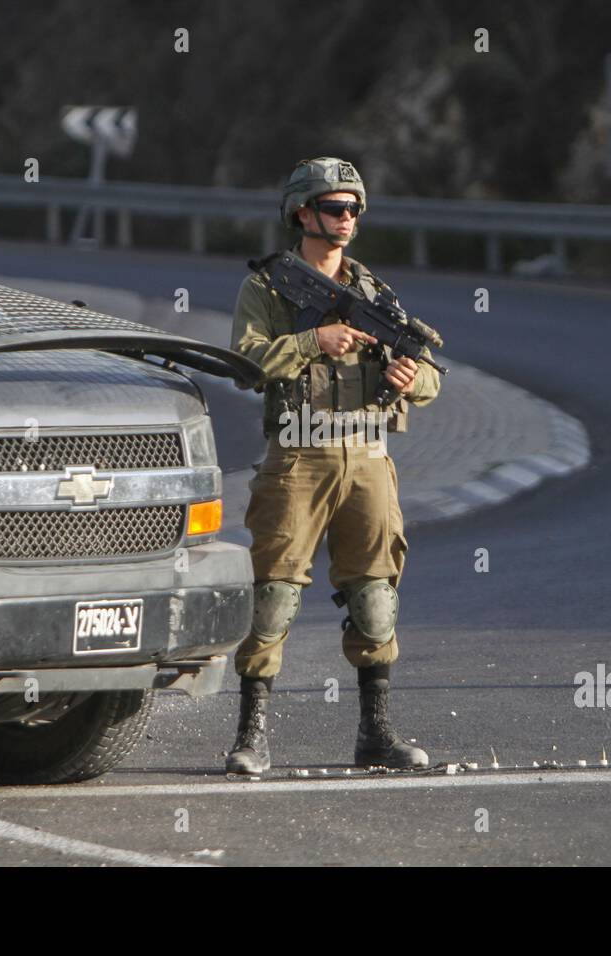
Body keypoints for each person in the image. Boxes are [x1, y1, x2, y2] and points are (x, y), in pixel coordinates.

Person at [225, 157, 441, 774]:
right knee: (274, 596)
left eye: (353, 209)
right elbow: (246, 364)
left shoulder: (373, 292)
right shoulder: (267, 287)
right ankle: (251, 736)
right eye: (334, 208)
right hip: (297, 455)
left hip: (368, 456)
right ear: (302, 212)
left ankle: (376, 733)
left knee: (375, 597)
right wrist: (311, 342)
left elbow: (427, 378)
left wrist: (410, 379)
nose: (347, 220)